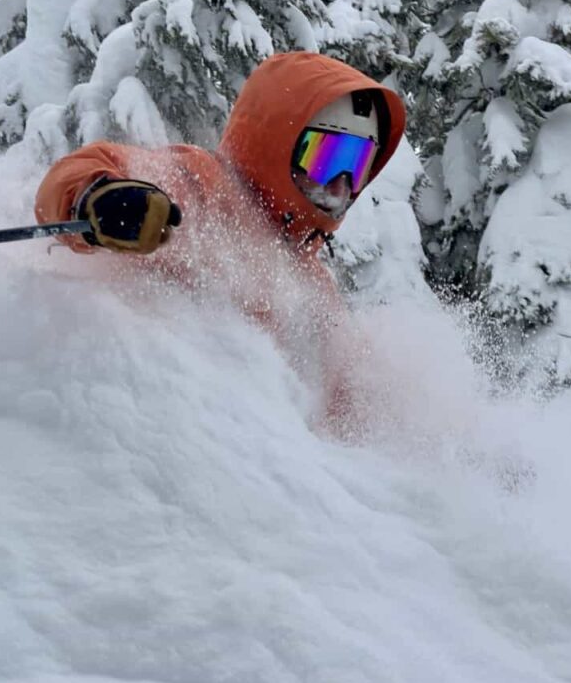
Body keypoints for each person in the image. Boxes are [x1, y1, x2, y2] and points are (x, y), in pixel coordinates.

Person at [35, 51, 406, 431]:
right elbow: (86, 168)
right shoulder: (204, 188)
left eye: (356, 165)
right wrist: (99, 196)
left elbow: (349, 400)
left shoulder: (312, 281)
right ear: (276, 143)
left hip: (256, 454)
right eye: (326, 159)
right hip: (143, 423)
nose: (341, 185)